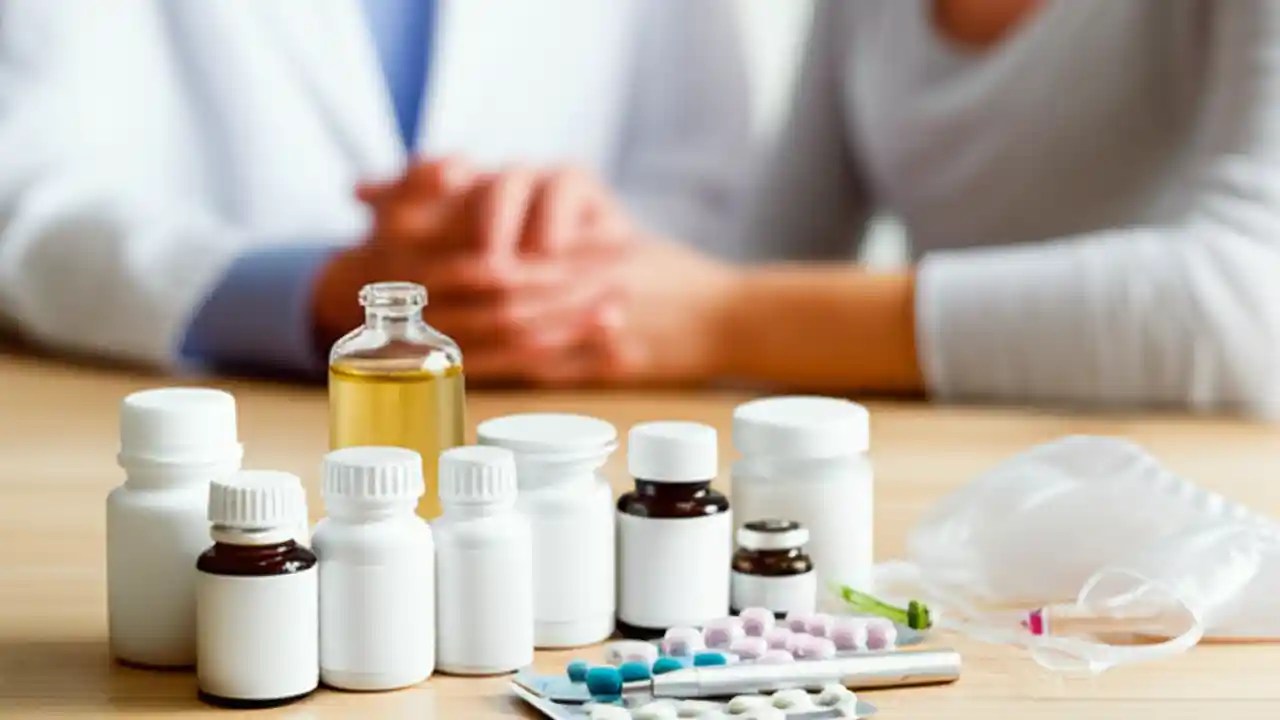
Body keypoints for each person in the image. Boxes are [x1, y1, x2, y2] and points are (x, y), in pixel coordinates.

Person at [400, 0, 1280, 417]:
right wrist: (564, 247)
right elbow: (769, 255)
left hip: (1194, 540)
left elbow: (1252, 305)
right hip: (953, 498)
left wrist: (718, 316)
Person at [0, 0, 749, 375]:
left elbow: (702, 179)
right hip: (194, 406)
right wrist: (318, 290)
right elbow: (34, 196)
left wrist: (555, 269)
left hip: (575, 415)